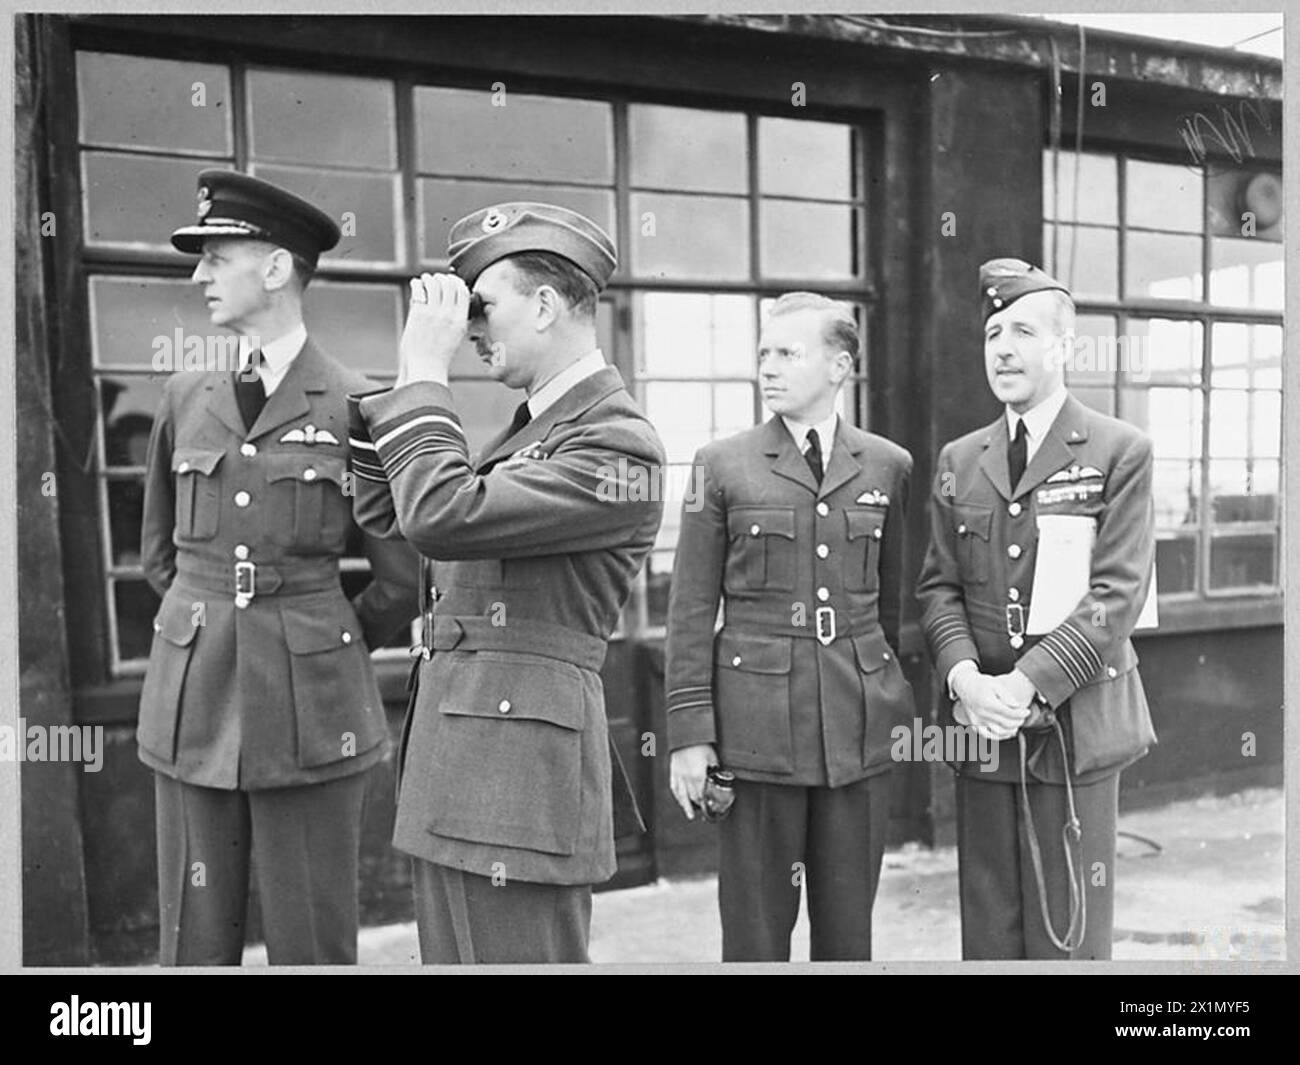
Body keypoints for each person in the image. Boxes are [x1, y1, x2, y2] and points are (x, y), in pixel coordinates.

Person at [348, 202, 665, 964]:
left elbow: (442, 514)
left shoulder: (619, 445)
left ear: (548, 304)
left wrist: (426, 374)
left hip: (519, 783)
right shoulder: (530, 431)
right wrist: (399, 389)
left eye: (483, 307)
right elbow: (399, 525)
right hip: (458, 760)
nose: (473, 330)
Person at [138, 170, 420, 965]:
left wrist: (320, 638)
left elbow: (400, 579)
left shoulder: (356, 405)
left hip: (313, 712)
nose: (199, 276)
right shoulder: (185, 394)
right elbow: (158, 555)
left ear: (274, 268)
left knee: (312, 942)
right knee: (194, 944)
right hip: (193, 704)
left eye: (216, 257)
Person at [915, 257, 1157, 959]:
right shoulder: (962, 458)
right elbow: (939, 588)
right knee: (989, 935)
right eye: (992, 333)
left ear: (1065, 347)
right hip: (981, 729)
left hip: (1072, 732)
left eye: (1022, 330)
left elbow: (1116, 594)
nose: (1003, 348)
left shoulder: (1118, 450)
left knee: (1068, 935)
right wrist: (966, 680)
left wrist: (1025, 684)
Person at [664, 292, 914, 961]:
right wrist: (690, 735)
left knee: (847, 935)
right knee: (755, 933)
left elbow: (890, 607)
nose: (768, 367)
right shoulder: (720, 464)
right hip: (757, 734)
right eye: (763, 353)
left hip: (855, 732)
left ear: (839, 366)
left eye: (787, 353)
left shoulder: (888, 465)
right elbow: (689, 608)